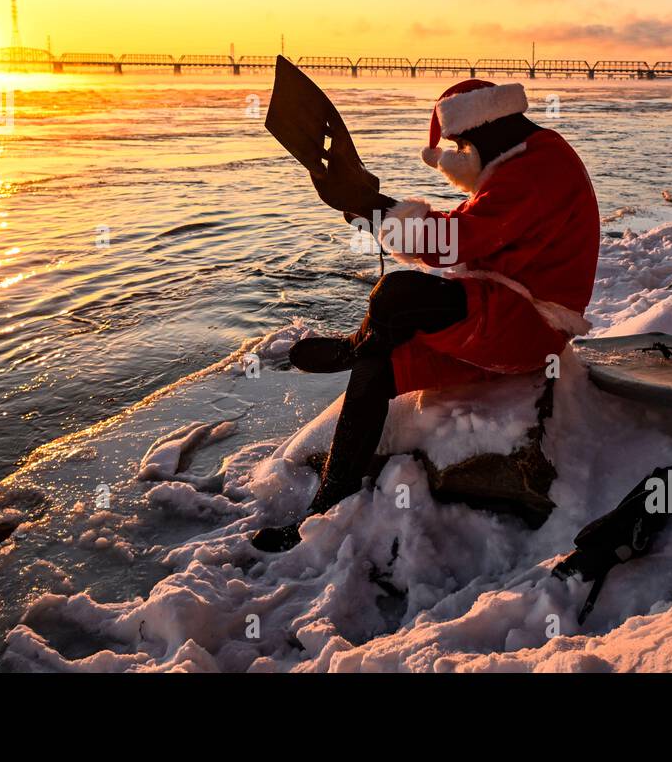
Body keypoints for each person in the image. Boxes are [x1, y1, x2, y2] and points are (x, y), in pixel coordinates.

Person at [251, 79, 600, 551]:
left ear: (486, 127)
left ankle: (353, 346)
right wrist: (373, 213)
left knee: (398, 292)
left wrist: (378, 209)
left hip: (532, 325)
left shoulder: (537, 168)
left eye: (460, 144)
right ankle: (326, 507)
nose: (455, 153)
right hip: (497, 310)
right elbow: (467, 233)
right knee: (380, 364)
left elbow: (460, 239)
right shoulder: (518, 160)